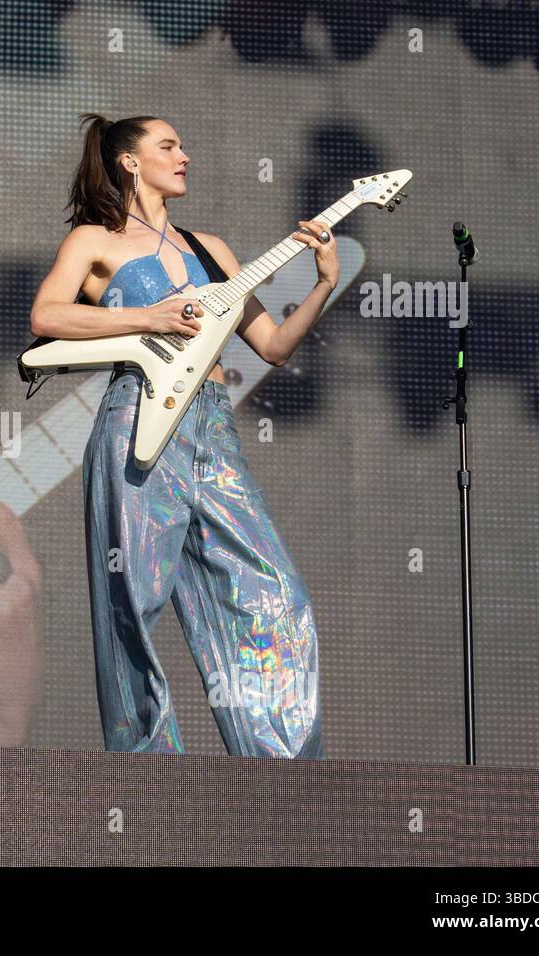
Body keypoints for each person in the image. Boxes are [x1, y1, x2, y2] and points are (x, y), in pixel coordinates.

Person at [29, 113, 337, 758]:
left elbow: (273, 345)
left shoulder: (212, 249)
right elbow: (47, 315)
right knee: (132, 598)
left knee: (274, 595)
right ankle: (144, 771)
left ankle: (282, 769)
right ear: (130, 162)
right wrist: (149, 315)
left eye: (183, 145)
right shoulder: (96, 240)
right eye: (168, 146)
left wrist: (323, 282)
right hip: (137, 420)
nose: (185, 155)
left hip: (212, 430)